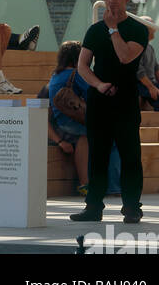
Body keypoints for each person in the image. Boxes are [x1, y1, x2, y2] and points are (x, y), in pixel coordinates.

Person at [70, 0, 149, 225]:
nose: (111, 1)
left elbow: (126, 57)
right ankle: (93, 207)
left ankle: (132, 207)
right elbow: (83, 65)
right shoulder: (94, 30)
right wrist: (98, 84)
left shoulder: (138, 29)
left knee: (130, 155)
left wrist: (114, 29)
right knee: (98, 155)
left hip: (125, 100)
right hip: (99, 100)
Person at [44, 40, 121, 198]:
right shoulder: (77, 74)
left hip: (61, 122)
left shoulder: (55, 76)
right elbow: (93, 96)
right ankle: (112, 187)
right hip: (75, 122)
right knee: (112, 141)